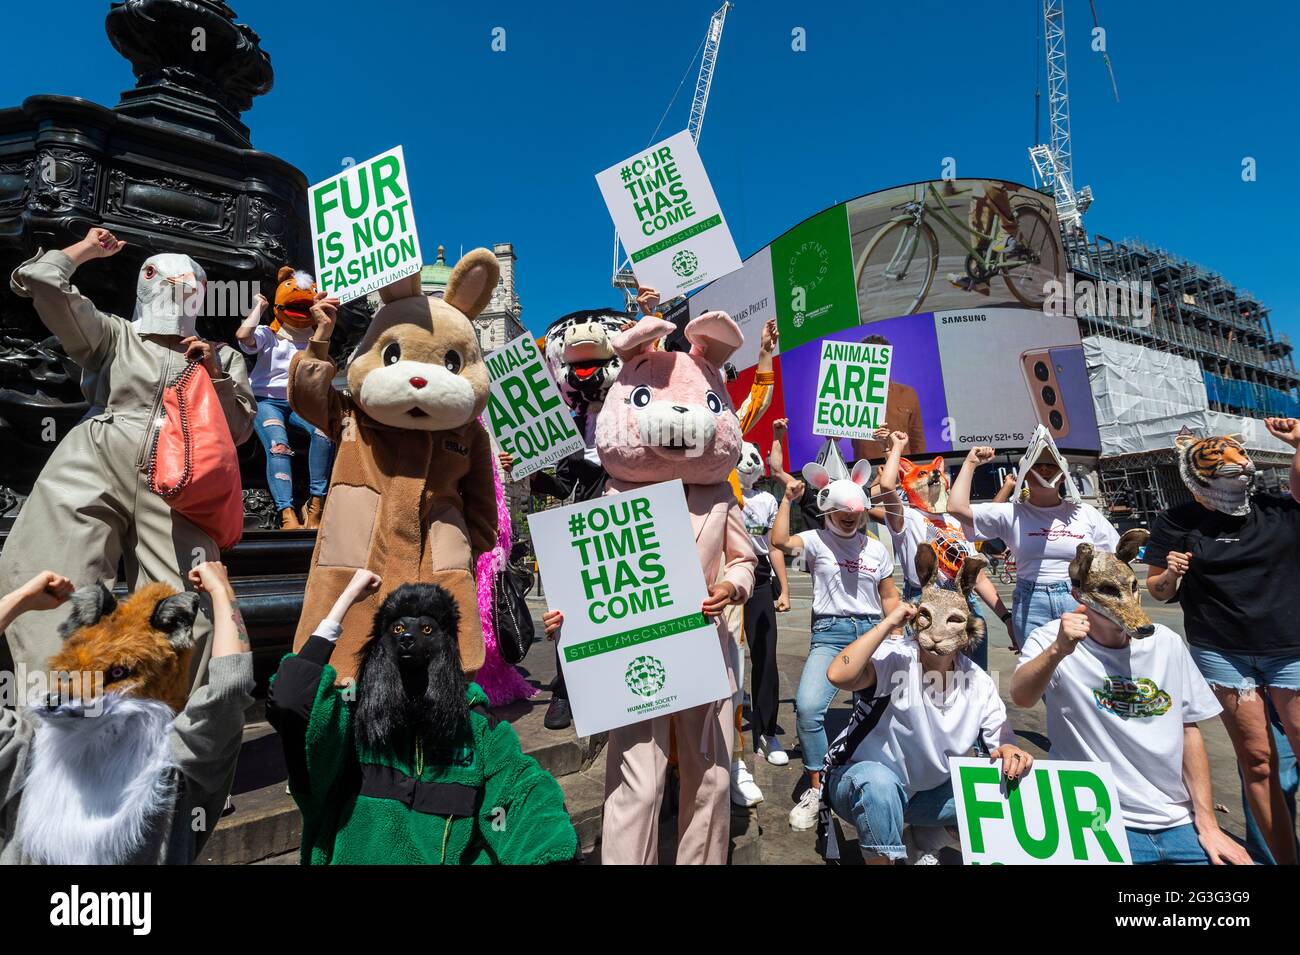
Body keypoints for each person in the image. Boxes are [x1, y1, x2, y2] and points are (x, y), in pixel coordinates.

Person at [0, 227, 255, 689]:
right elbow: (41, 280)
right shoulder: (114, 334)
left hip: (183, 478)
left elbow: (237, 431)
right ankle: (56, 718)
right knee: (54, 589)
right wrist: (84, 250)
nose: (179, 291)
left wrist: (214, 374)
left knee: (186, 612)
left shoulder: (221, 357)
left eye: (192, 284)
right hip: (92, 460)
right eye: (164, 279)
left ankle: (161, 736)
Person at [267, 569, 579, 864]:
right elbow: (291, 698)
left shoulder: (478, 728)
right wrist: (345, 600)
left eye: (426, 629)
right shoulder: (349, 719)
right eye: (398, 629)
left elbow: (517, 799)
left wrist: (548, 852)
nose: (408, 636)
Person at [1012, 531, 1253, 866]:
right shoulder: (1049, 639)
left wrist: (1208, 824)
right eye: (1108, 591)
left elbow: (1188, 730)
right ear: (1078, 593)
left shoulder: (1166, 643)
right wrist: (1058, 650)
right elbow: (1021, 696)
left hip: (1176, 819)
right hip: (1098, 818)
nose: (1126, 602)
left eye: (1130, 588)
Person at [0, 561, 254, 864]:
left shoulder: (25, 758)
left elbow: (229, 689)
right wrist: (223, 593)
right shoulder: (177, 765)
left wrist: (19, 602)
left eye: (116, 674)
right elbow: (230, 688)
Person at [1144, 421, 1300, 865]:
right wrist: (1172, 572)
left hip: (1291, 647)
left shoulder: (1278, 507)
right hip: (1224, 652)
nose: (1235, 467)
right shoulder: (1177, 520)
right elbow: (1158, 590)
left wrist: (1298, 444)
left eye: (1237, 459)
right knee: (1259, 761)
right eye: (1219, 463)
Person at [820, 551, 1033, 864]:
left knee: (1006, 786)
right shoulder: (895, 659)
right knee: (879, 787)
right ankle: (882, 859)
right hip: (862, 783)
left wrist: (1012, 751)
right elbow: (840, 674)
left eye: (954, 620)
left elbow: (1000, 740)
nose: (936, 634)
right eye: (927, 617)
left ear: (968, 629)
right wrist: (887, 624)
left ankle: (919, 842)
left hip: (925, 793)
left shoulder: (978, 681)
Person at [772, 471, 900, 832]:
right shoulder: (814, 541)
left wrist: (898, 630)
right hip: (830, 634)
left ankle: (888, 783)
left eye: (855, 512)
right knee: (810, 707)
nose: (850, 517)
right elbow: (779, 542)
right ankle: (819, 789)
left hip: (874, 633)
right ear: (827, 511)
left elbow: (889, 595)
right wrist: (788, 499)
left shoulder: (875, 547)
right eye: (843, 511)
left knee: (887, 712)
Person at [948, 438, 1119, 653]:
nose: (1045, 470)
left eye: (1051, 465)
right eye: (1038, 466)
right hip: (1031, 601)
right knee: (1037, 670)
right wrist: (970, 463)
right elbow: (956, 507)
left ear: (1062, 472)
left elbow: (1114, 560)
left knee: (1085, 667)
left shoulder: (1086, 513)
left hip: (1079, 598)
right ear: (1026, 473)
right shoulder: (1011, 513)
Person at [875, 431, 1011, 669]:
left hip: (965, 602)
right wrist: (895, 446)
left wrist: (1007, 618)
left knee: (973, 677)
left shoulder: (957, 521)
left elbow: (978, 579)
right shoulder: (907, 518)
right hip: (925, 601)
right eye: (923, 474)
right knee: (931, 678)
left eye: (936, 471)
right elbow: (887, 486)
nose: (933, 474)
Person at [236, 269, 336, 530]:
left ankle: (316, 504)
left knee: (324, 434)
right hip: (267, 401)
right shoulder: (268, 335)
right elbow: (243, 336)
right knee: (278, 445)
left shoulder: (316, 339)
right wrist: (259, 306)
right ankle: (286, 512)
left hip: (299, 403)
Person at [850, 334, 925, 461]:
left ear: (888, 360)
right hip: (866, 471)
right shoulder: (850, 394)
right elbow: (834, 438)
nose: (875, 362)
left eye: (879, 356)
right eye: (870, 357)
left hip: (902, 469)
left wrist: (918, 471)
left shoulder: (908, 394)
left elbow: (917, 441)